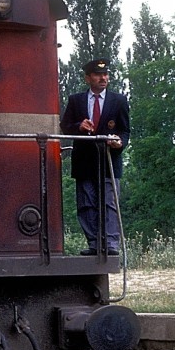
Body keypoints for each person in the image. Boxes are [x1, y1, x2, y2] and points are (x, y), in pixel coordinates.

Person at [60, 58, 130, 255]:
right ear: (87, 78)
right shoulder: (76, 100)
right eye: (98, 75)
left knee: (110, 202)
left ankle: (111, 244)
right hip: (84, 161)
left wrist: (120, 142)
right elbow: (65, 127)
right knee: (87, 203)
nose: (103, 78)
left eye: (106, 74)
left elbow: (125, 131)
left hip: (109, 160)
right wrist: (78, 127)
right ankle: (94, 244)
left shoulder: (119, 101)